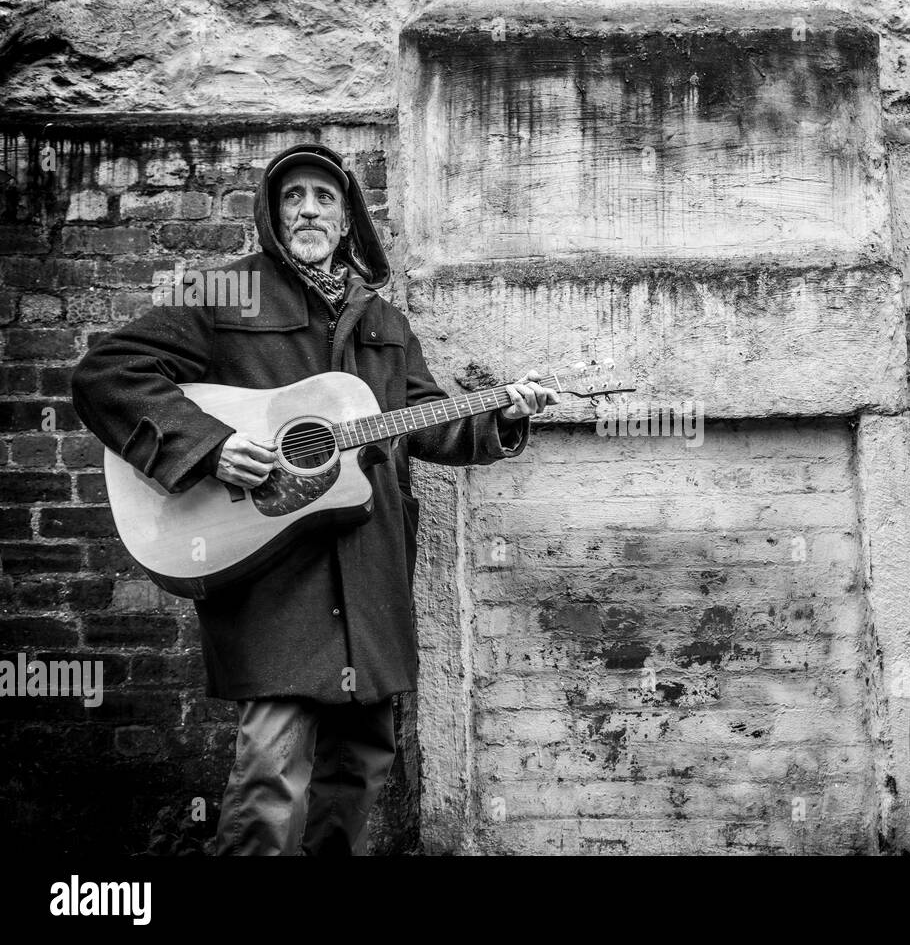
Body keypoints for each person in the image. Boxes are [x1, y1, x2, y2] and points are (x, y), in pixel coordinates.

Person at [71, 143, 558, 855]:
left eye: (323, 198)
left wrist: (503, 415)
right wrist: (207, 446)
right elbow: (107, 373)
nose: (308, 209)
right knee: (271, 771)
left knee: (361, 766)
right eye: (292, 196)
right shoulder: (226, 295)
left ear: (347, 216)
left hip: (369, 571)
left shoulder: (382, 322)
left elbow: (431, 421)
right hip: (274, 574)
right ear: (272, 215)